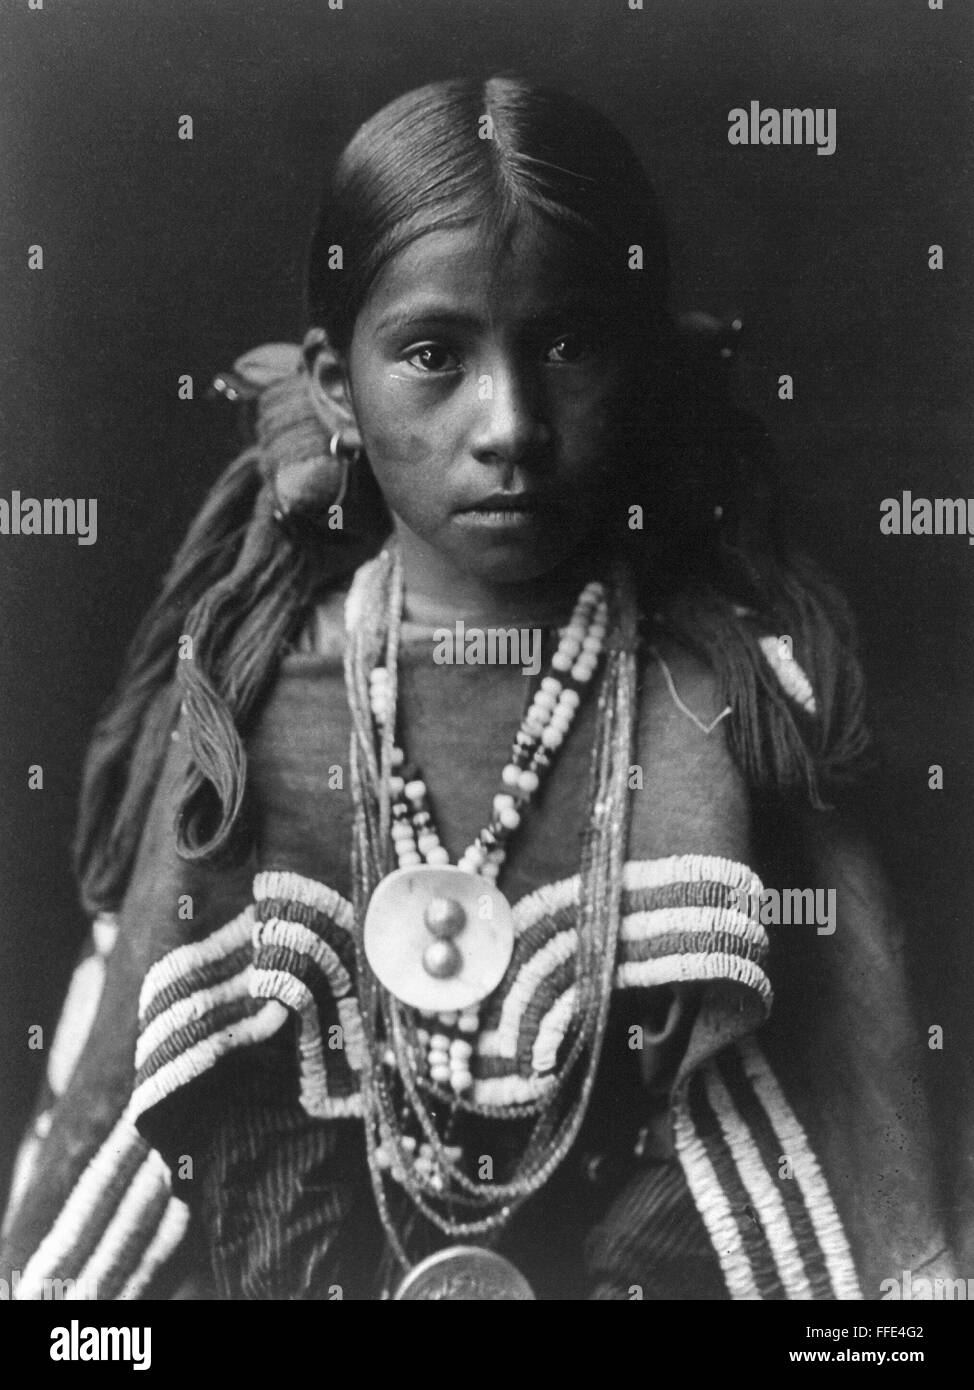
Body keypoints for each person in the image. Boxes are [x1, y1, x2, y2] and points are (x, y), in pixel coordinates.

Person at [0, 75, 958, 1301]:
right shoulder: (258, 711)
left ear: (648, 368)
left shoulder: (723, 709)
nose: (510, 422)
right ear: (336, 386)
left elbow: (862, 1146)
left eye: (568, 344)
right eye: (434, 355)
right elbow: (106, 1152)